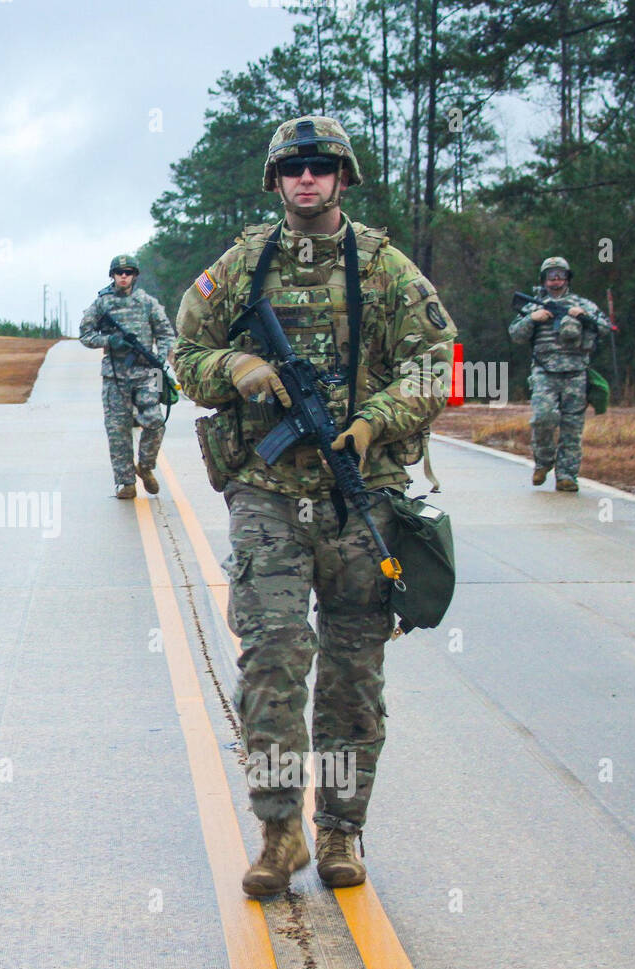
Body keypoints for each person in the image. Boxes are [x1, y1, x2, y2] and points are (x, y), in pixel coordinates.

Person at [173, 116, 456, 895]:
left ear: (342, 178)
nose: (307, 179)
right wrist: (235, 365)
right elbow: (183, 355)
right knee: (271, 657)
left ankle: (340, 832)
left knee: (352, 671)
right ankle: (277, 830)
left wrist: (374, 423)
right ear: (276, 181)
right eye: (293, 168)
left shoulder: (387, 268)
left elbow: (434, 367)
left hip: (359, 495)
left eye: (321, 167)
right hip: (268, 493)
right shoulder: (242, 267)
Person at [508, 256, 609, 492]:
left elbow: (605, 328)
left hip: (576, 373)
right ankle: (543, 462)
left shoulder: (583, 304)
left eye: (560, 275)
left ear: (567, 278)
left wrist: (583, 316)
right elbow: (515, 334)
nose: (556, 281)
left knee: (572, 428)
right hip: (544, 371)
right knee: (542, 418)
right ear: (543, 280)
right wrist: (532, 320)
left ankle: (567, 476)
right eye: (551, 276)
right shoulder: (534, 305)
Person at [78, 255, 175, 498]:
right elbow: (85, 334)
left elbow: (165, 333)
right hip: (115, 377)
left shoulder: (147, 303)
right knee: (117, 429)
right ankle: (125, 482)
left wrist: (159, 358)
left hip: (146, 373)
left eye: (128, 272)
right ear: (112, 275)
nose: (124, 276)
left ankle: (145, 466)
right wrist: (109, 340)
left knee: (154, 422)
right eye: (119, 272)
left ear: (134, 276)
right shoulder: (102, 304)